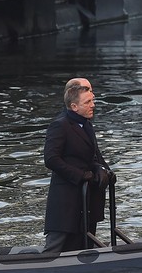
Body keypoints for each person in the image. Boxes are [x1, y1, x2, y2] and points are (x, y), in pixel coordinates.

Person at [43, 81, 114, 252]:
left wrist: (104, 170)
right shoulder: (60, 125)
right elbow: (51, 159)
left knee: (86, 239)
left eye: (92, 101)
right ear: (74, 106)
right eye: (88, 102)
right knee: (57, 244)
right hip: (66, 198)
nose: (93, 106)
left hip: (88, 197)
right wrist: (80, 175)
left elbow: (94, 154)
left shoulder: (86, 124)